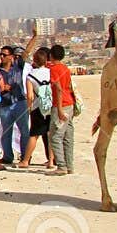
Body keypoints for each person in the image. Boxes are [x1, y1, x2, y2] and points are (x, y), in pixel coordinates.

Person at [0, 28, 39, 167]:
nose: (1, 57)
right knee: (6, 132)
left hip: (19, 102)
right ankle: (7, 156)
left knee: (24, 131)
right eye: (0, 54)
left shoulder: (18, 67)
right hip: (5, 104)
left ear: (11, 56)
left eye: (4, 55)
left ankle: (25, 156)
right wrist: (2, 88)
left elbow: (27, 52)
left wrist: (34, 37)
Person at [20, 47, 54, 170]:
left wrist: (29, 106)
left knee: (34, 135)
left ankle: (25, 160)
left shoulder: (31, 76)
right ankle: (51, 161)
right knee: (50, 134)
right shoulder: (51, 72)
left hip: (37, 107)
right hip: (50, 106)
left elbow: (29, 95)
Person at [47, 43, 77, 175]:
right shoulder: (65, 68)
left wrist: (59, 109)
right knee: (68, 136)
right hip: (69, 103)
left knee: (55, 136)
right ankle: (69, 165)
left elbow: (58, 89)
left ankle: (61, 166)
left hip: (61, 104)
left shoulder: (55, 70)